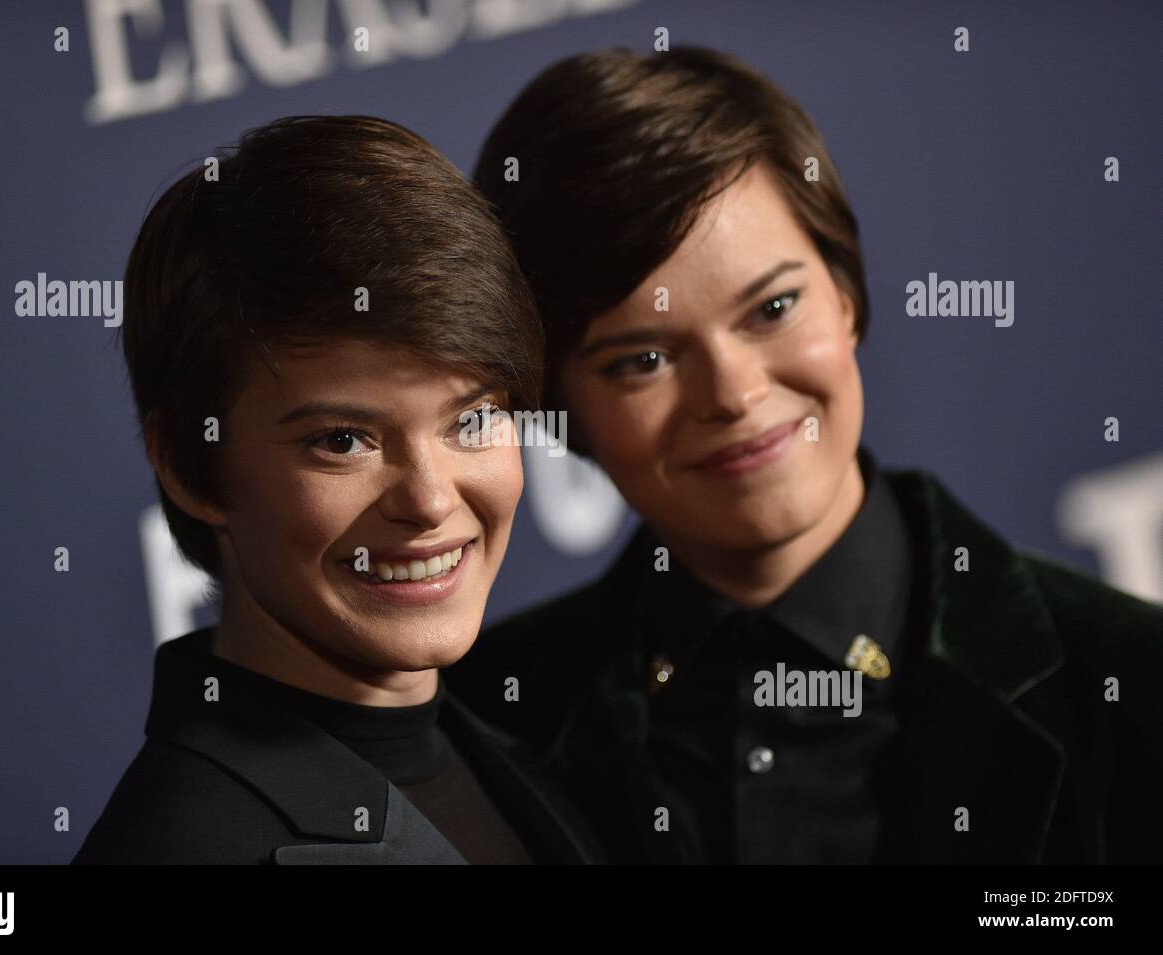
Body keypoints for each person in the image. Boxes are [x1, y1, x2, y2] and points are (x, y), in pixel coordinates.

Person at [443, 47, 1163, 864]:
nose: (734, 392)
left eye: (773, 307)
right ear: (560, 410)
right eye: (642, 359)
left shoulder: (1130, 687)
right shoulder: (477, 728)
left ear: (847, 295)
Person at [73, 115, 601, 865]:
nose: (428, 499)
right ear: (192, 467)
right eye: (342, 440)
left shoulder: (526, 756)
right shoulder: (181, 846)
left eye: (473, 418)